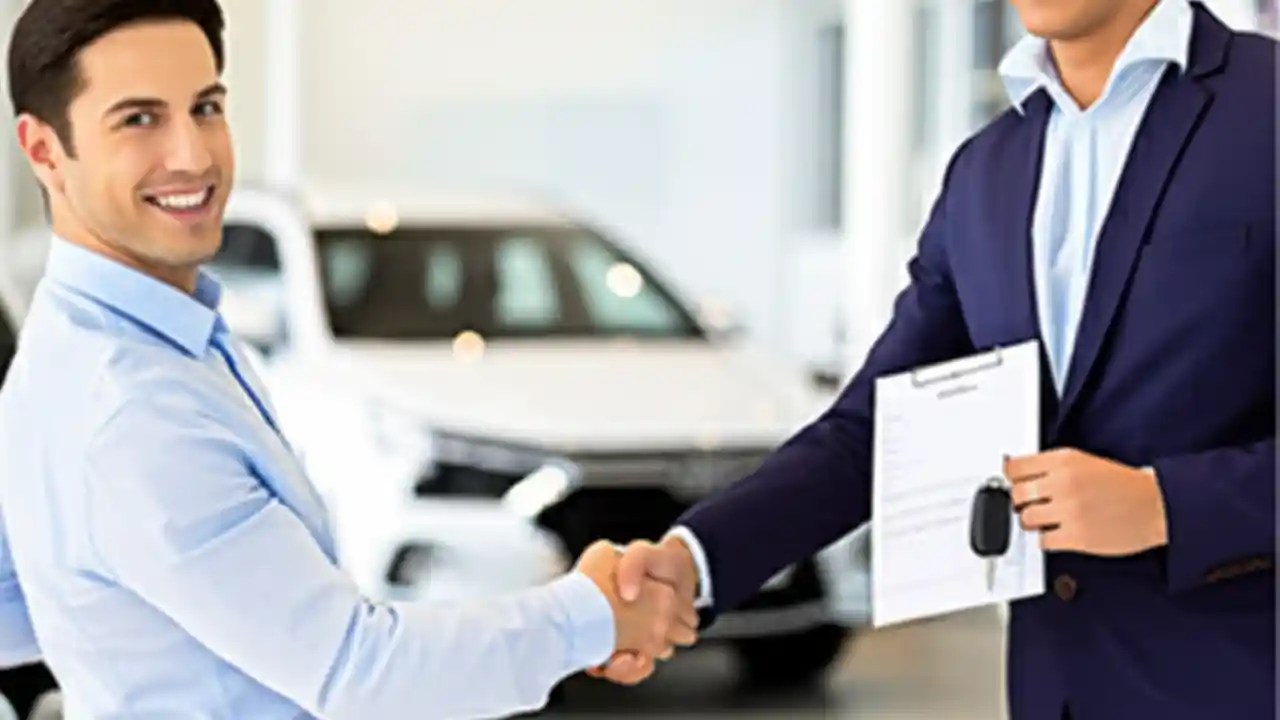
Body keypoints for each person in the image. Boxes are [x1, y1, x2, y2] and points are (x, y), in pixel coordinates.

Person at [0, 1, 698, 718]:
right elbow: (363, 672)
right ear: (45, 150)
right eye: (138, 119)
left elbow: (19, 608)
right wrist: (590, 617)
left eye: (205, 106)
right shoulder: (135, 408)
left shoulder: (82, 346)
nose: (194, 155)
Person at [594, 1, 1277, 718]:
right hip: (1058, 692)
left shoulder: (1268, 111)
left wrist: (1167, 505)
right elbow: (872, 430)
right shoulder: (987, 171)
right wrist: (691, 563)